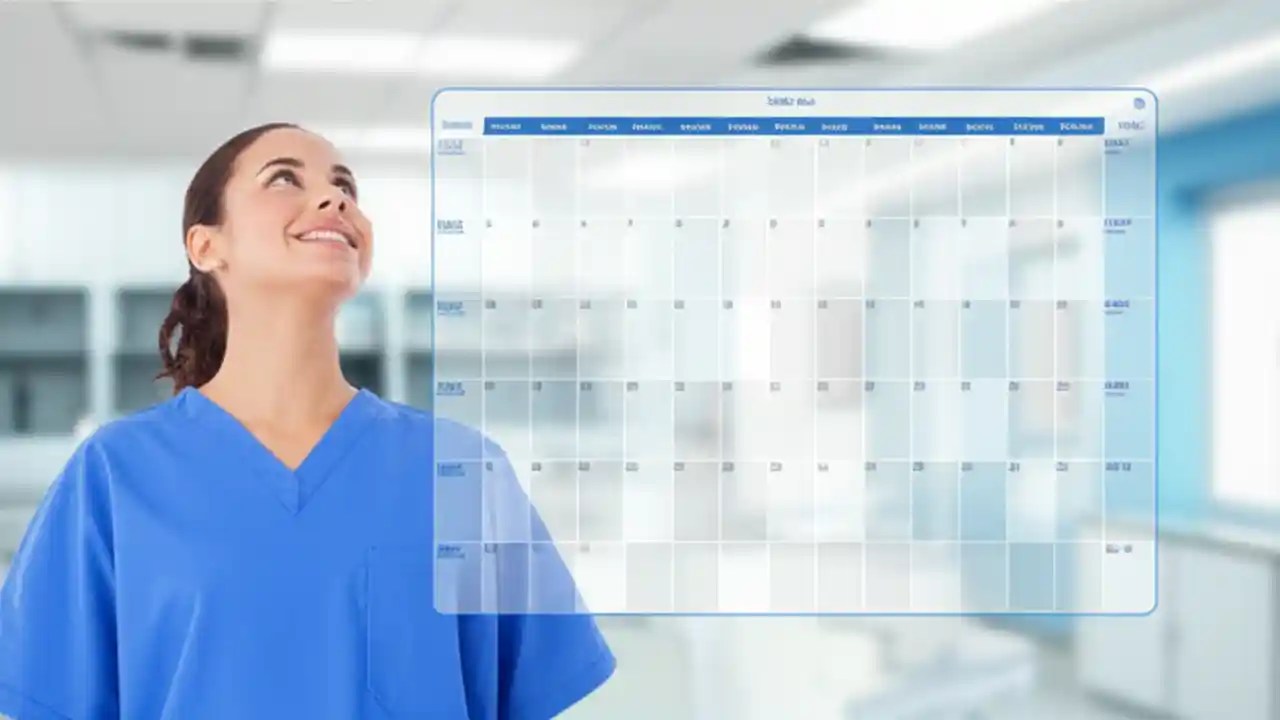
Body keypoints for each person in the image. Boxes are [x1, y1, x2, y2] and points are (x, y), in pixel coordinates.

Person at [0, 122, 615, 719]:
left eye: (345, 186)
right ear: (206, 245)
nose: (334, 198)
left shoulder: (461, 471)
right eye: (284, 179)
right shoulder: (115, 476)